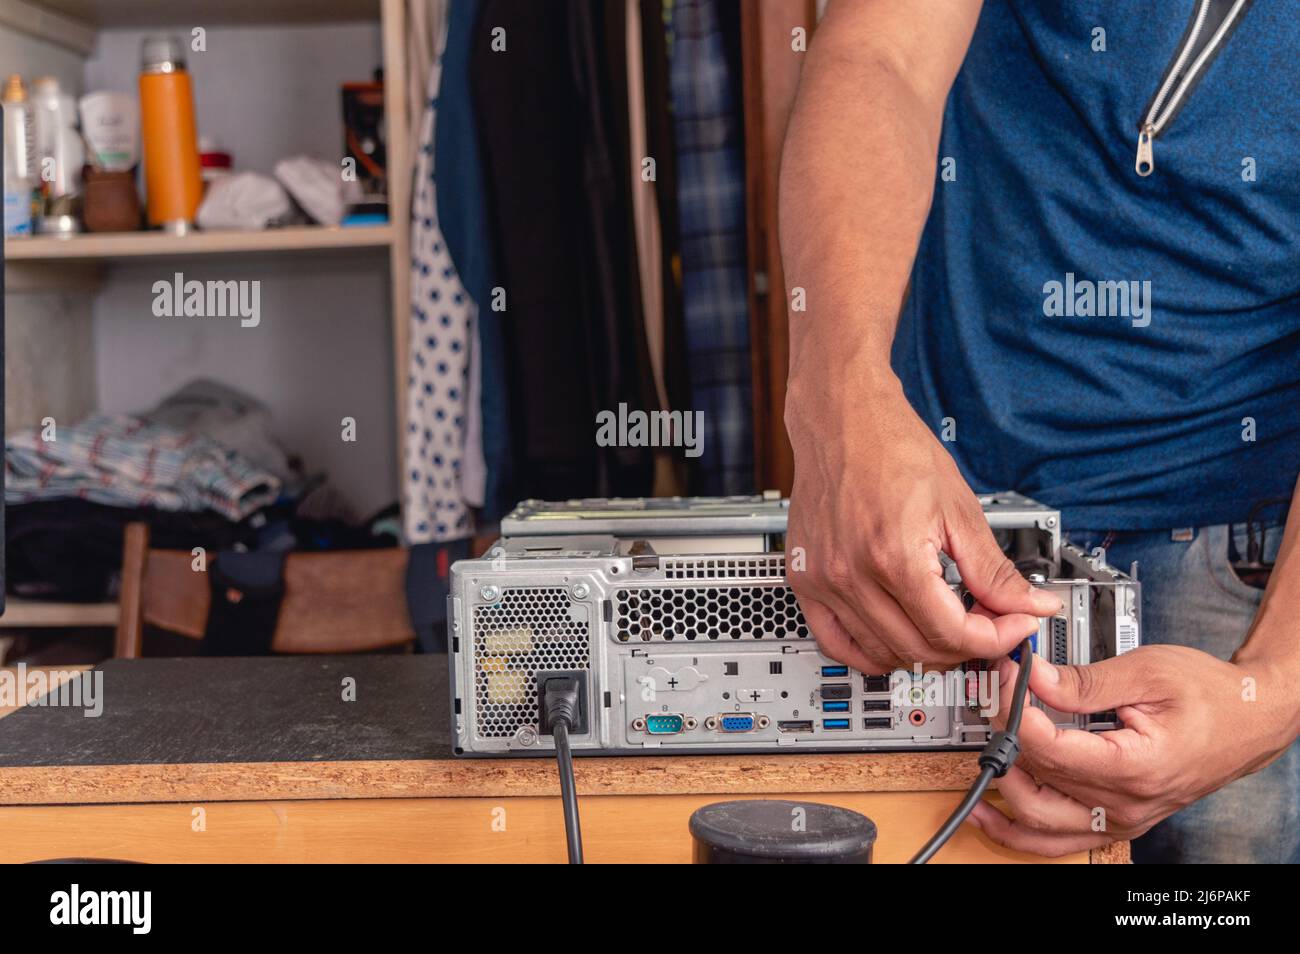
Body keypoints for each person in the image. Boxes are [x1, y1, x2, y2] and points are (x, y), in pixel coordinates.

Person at [779, 0, 1299, 862]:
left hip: (1244, 571)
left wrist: (1273, 690)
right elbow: (881, 54)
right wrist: (843, 403)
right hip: (938, 520)